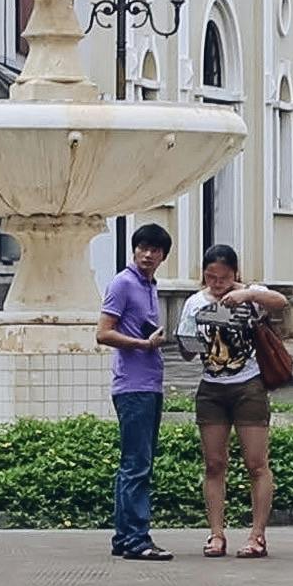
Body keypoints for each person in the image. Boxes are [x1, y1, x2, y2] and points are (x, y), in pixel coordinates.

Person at [186, 245, 279, 556]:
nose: (216, 283)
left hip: (248, 385)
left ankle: (257, 535)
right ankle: (216, 533)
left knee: (256, 463)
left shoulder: (249, 296)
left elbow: (281, 302)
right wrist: (190, 342)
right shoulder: (194, 303)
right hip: (212, 388)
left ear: (235, 273)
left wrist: (246, 294)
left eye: (223, 277)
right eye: (210, 277)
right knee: (214, 464)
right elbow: (187, 349)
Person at [101, 224, 174, 559]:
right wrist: (143, 343)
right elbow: (103, 333)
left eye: (155, 250)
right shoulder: (123, 283)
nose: (148, 254)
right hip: (132, 386)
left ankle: (123, 537)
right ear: (134, 249)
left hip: (149, 383)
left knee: (135, 463)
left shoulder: (149, 285)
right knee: (137, 464)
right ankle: (136, 540)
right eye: (143, 247)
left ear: (162, 256)